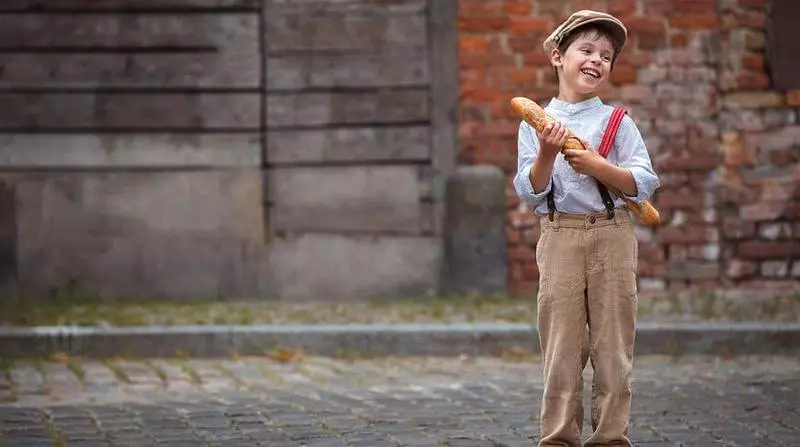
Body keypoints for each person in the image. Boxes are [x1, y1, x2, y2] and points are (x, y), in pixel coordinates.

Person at [512, 10, 661, 447]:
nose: (597, 59)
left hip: (613, 236)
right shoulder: (535, 121)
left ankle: (611, 437)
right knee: (561, 347)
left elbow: (643, 183)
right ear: (558, 56)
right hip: (559, 237)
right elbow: (531, 192)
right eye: (587, 49)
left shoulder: (618, 122)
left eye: (607, 55)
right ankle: (558, 437)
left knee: (613, 347)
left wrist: (600, 166)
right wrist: (545, 152)